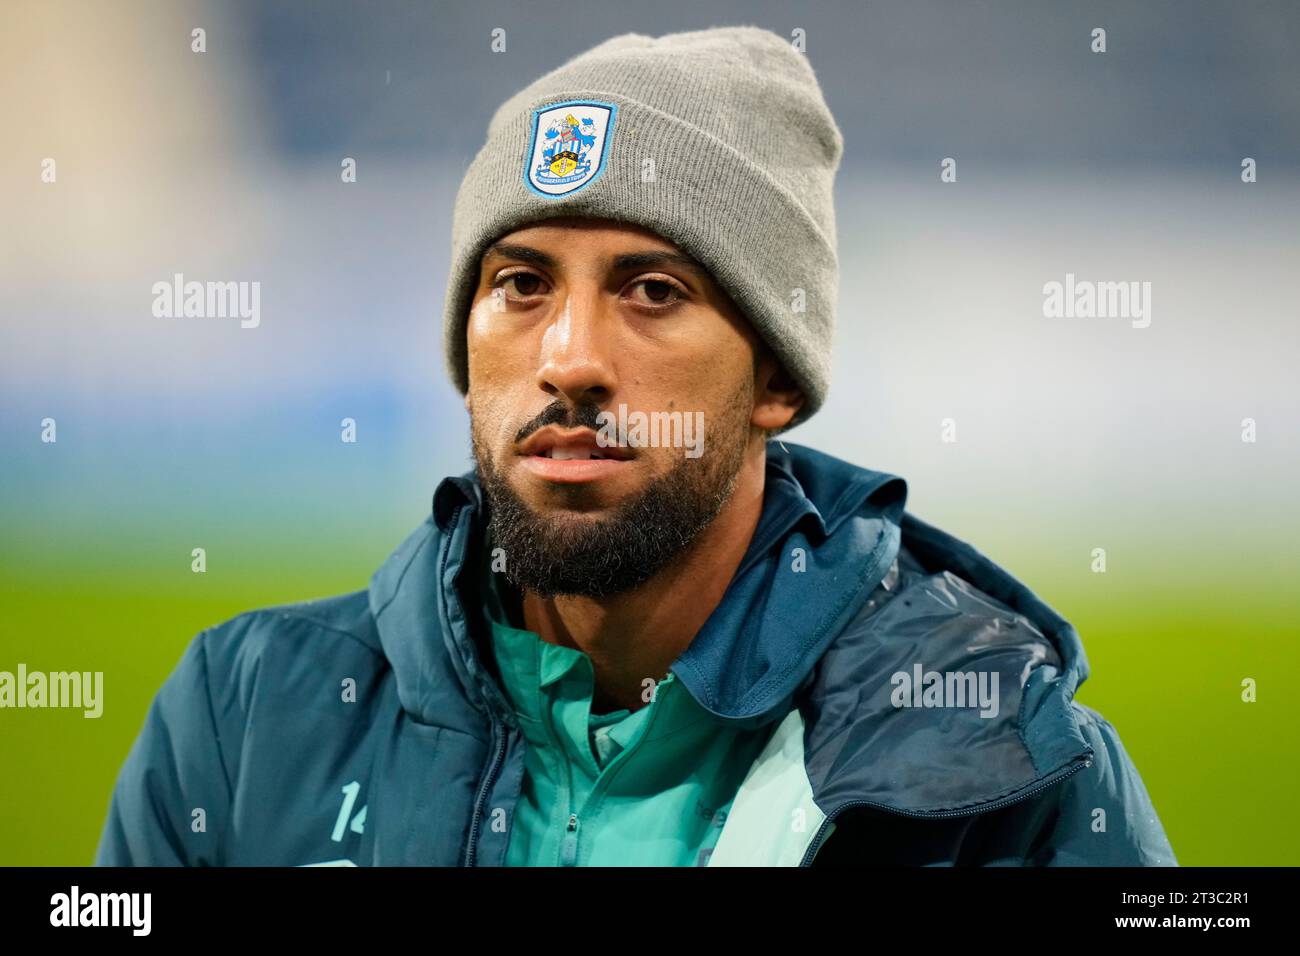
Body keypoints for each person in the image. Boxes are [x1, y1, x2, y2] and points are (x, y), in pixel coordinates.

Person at [95, 25, 1176, 867]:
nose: (568, 358)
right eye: (520, 283)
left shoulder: (1002, 770)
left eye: (652, 290)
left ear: (779, 377)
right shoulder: (242, 723)